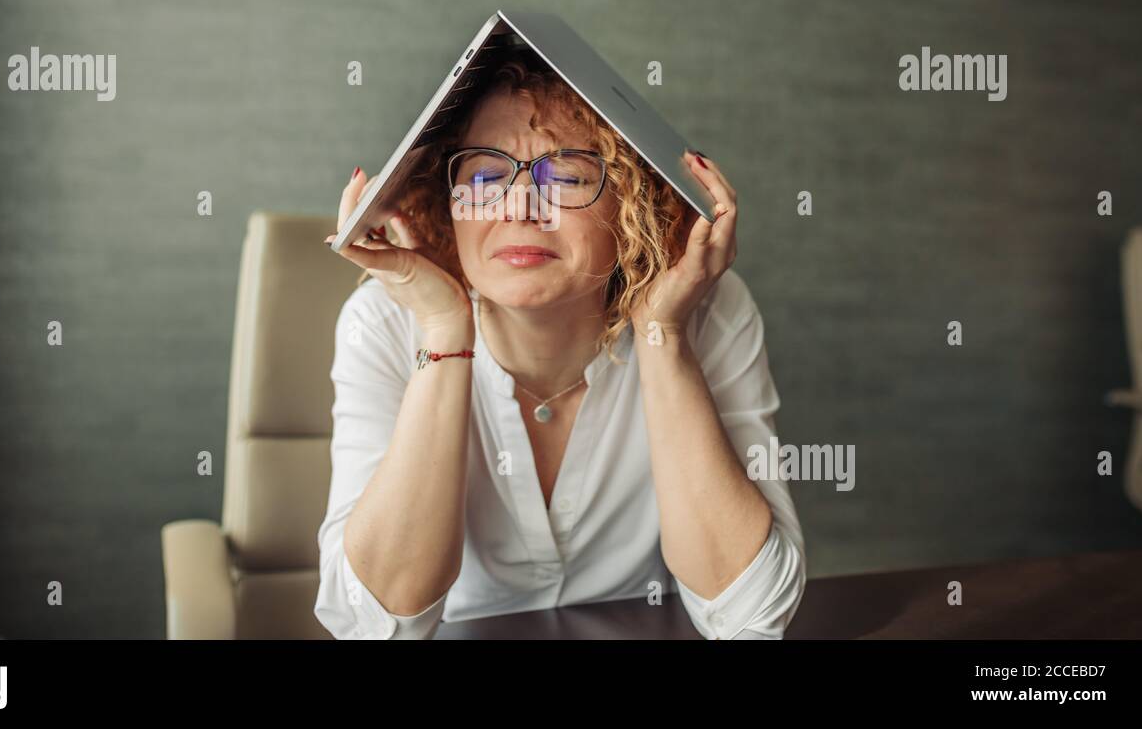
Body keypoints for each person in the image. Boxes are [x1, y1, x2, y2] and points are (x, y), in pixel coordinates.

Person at [313, 54, 805, 639]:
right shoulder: (383, 322)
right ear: (451, 202)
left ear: (630, 206)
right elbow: (374, 623)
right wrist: (444, 333)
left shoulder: (710, 311)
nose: (521, 205)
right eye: (487, 176)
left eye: (567, 177)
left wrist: (662, 335)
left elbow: (751, 614)